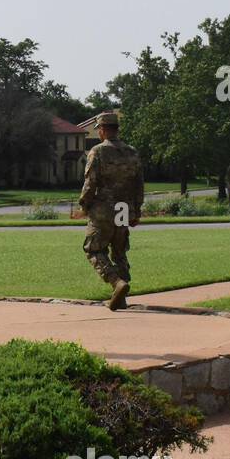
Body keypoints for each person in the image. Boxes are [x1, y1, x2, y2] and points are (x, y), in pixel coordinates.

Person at [79, 111, 144, 310]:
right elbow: (138, 184)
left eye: (99, 129)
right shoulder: (132, 152)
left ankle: (116, 282)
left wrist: (84, 204)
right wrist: (137, 210)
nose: (98, 132)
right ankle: (121, 298)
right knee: (119, 251)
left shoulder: (97, 151)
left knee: (93, 249)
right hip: (124, 207)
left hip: (104, 208)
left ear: (104, 130)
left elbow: (90, 183)